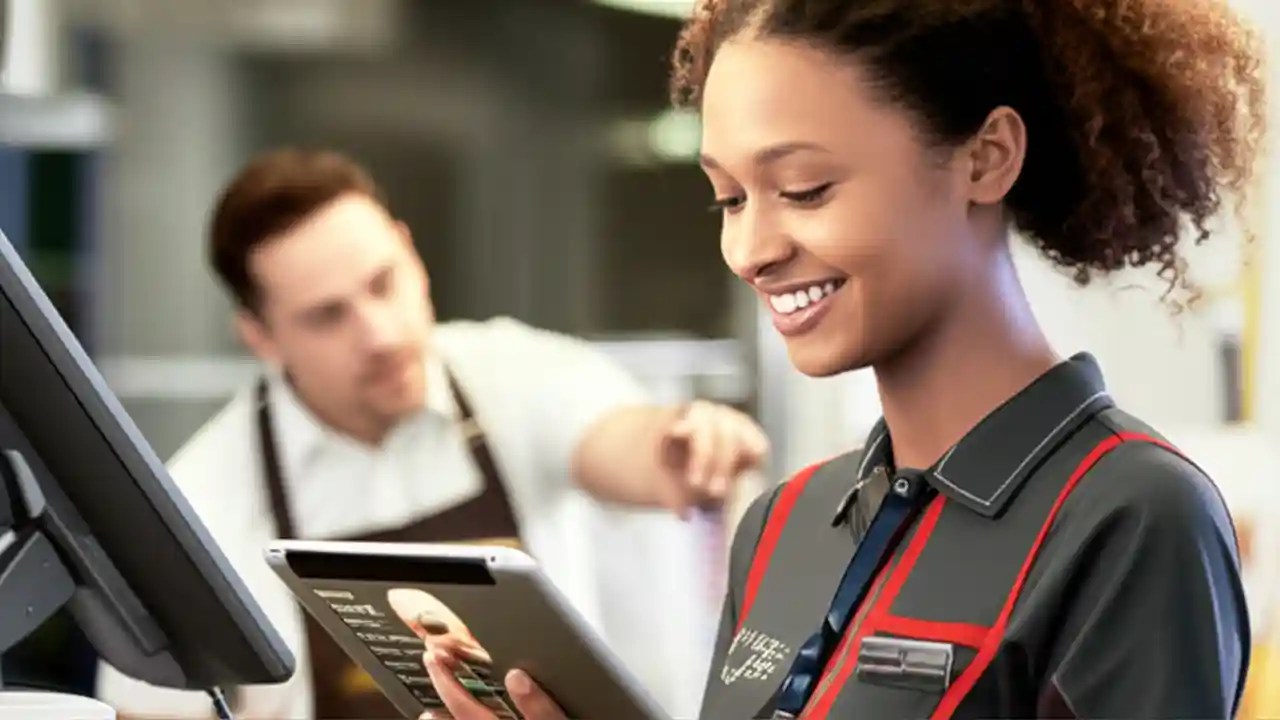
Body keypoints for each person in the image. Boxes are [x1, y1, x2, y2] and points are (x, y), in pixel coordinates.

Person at [423, 0, 1264, 718]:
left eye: (804, 190)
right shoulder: (781, 526)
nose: (749, 250)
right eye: (729, 199)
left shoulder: (1132, 516)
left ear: (986, 158)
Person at [93, 149, 770, 719]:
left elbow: (625, 446)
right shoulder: (197, 503)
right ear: (261, 337)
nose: (380, 335)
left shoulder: (515, 375)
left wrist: (683, 449)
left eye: (383, 283)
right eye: (328, 316)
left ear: (410, 253)